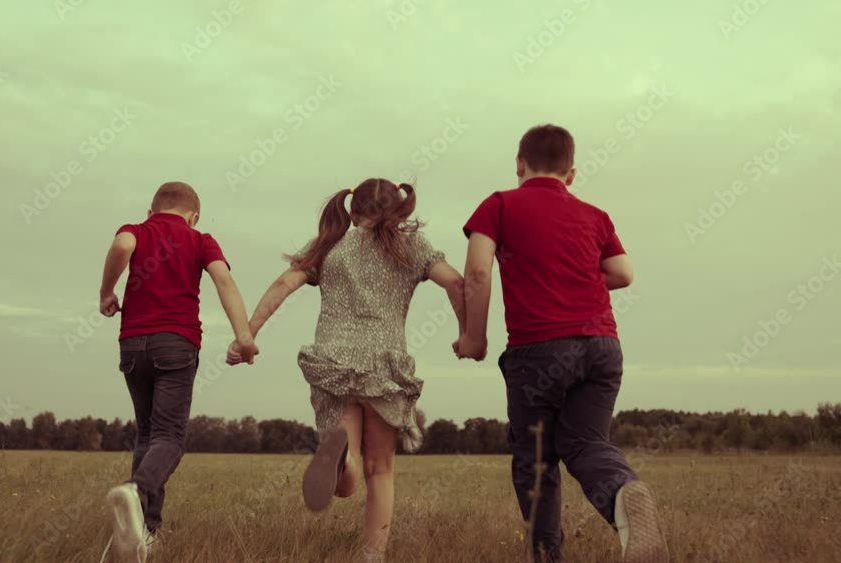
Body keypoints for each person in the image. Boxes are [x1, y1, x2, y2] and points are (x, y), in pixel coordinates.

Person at [456, 125, 669, 563]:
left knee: (536, 459)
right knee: (587, 442)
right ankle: (624, 491)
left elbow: (478, 272)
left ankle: (547, 557)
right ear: (570, 174)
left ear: (520, 163)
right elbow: (624, 273)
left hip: (539, 350)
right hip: (602, 347)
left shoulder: (499, 205)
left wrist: (474, 337)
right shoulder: (595, 215)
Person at [226, 178, 465, 561]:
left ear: (352, 211)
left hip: (333, 363)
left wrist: (247, 335)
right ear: (398, 209)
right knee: (381, 471)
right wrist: (468, 332)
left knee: (348, 473)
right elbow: (456, 282)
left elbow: (285, 282)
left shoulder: (331, 243)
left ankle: (342, 459)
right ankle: (372, 556)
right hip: (385, 366)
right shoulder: (411, 245)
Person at [99, 181, 258, 562]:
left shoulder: (137, 229)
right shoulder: (201, 239)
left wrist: (107, 292)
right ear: (194, 216)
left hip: (132, 345)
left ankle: (145, 532)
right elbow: (224, 281)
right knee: (170, 437)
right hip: (176, 345)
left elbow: (121, 246)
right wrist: (244, 336)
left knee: (148, 435)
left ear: (151, 211)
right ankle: (137, 495)